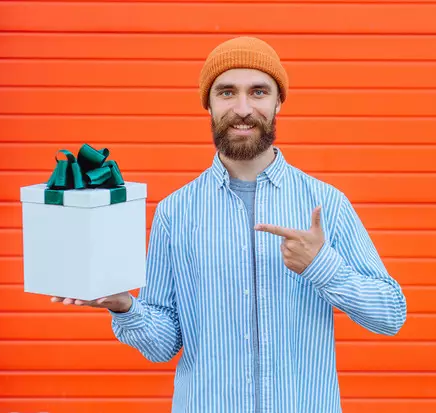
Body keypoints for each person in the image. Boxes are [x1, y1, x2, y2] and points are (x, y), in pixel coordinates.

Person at [52, 36, 407, 413]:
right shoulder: (176, 211)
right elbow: (162, 345)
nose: (242, 108)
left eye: (258, 92)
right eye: (226, 92)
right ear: (208, 104)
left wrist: (322, 267)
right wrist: (124, 307)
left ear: (278, 103)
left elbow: (390, 316)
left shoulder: (324, 203)